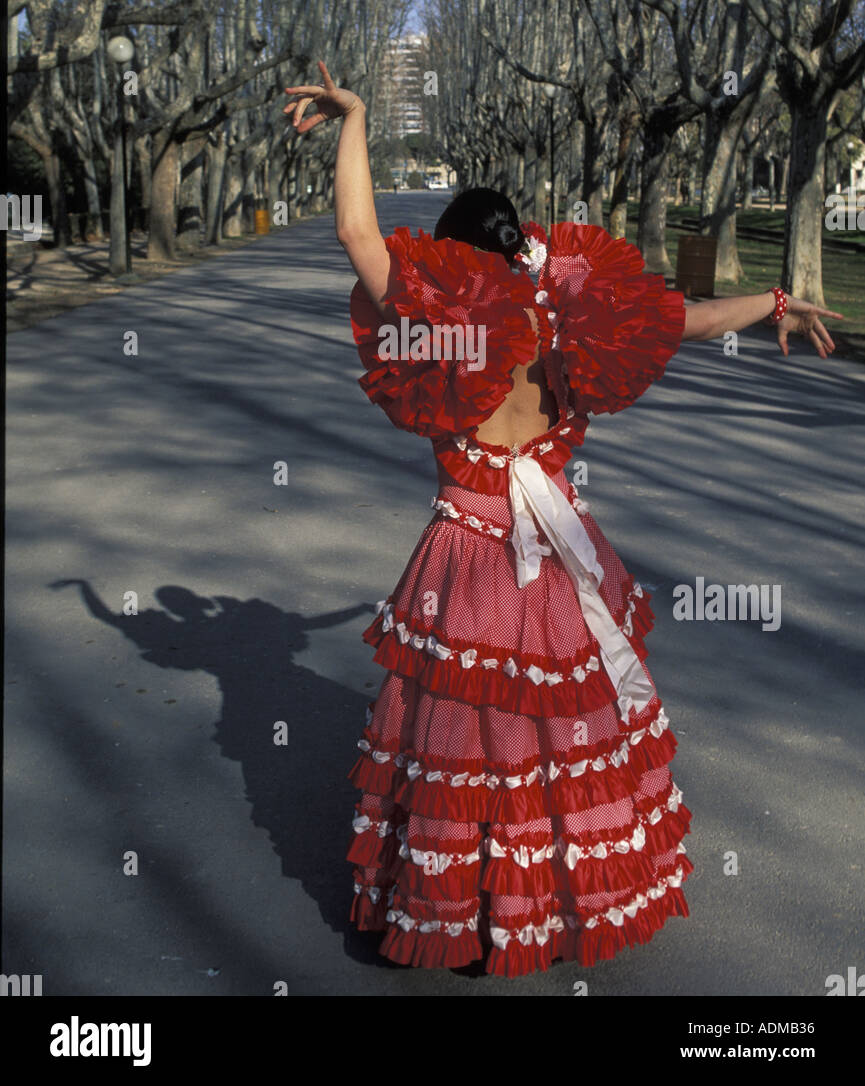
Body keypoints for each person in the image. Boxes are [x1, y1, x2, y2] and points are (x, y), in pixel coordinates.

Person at [284, 62, 843, 978]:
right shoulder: (571, 319)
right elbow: (690, 319)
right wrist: (775, 302)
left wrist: (352, 117)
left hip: (464, 555)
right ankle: (543, 902)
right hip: (555, 555)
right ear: (522, 247)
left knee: (464, 728)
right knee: (555, 727)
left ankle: (456, 911)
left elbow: (351, 227)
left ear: (451, 253)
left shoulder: (438, 321)